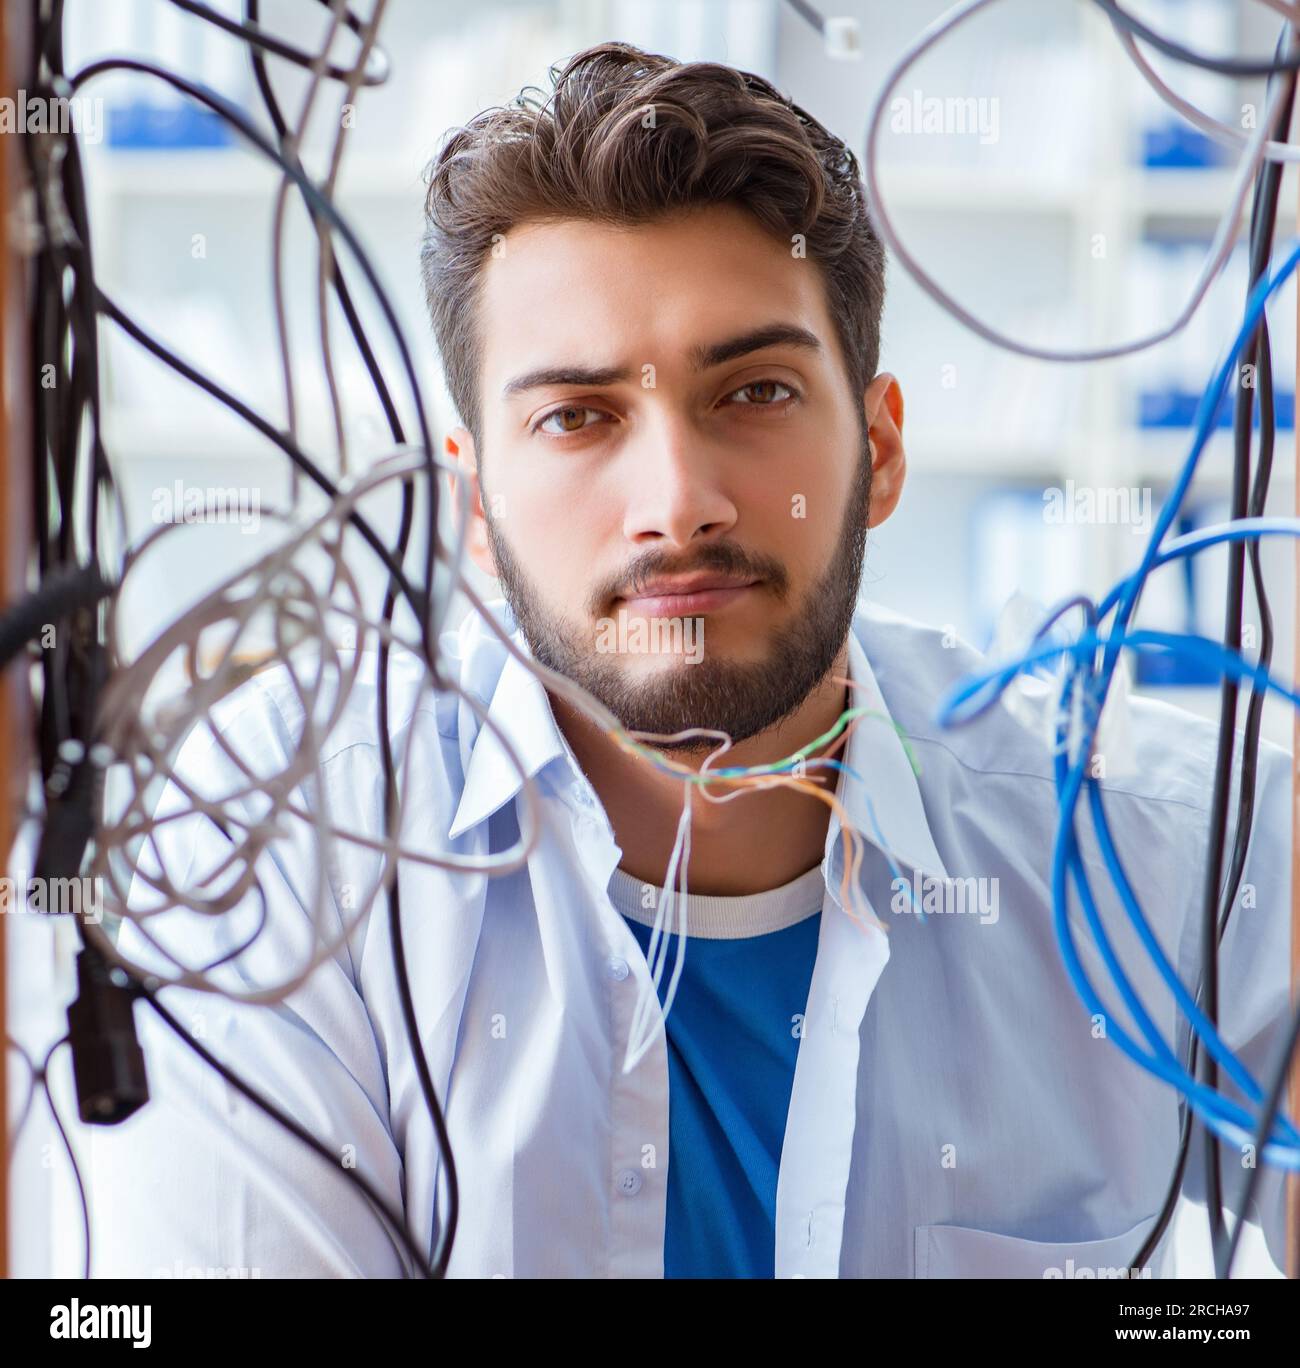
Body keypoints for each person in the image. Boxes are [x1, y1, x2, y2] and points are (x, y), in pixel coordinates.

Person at [89, 41, 1292, 1279]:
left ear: (878, 451)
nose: (678, 502)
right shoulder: (274, 860)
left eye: (755, 392)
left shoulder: (1178, 857)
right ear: (473, 506)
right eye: (575, 416)